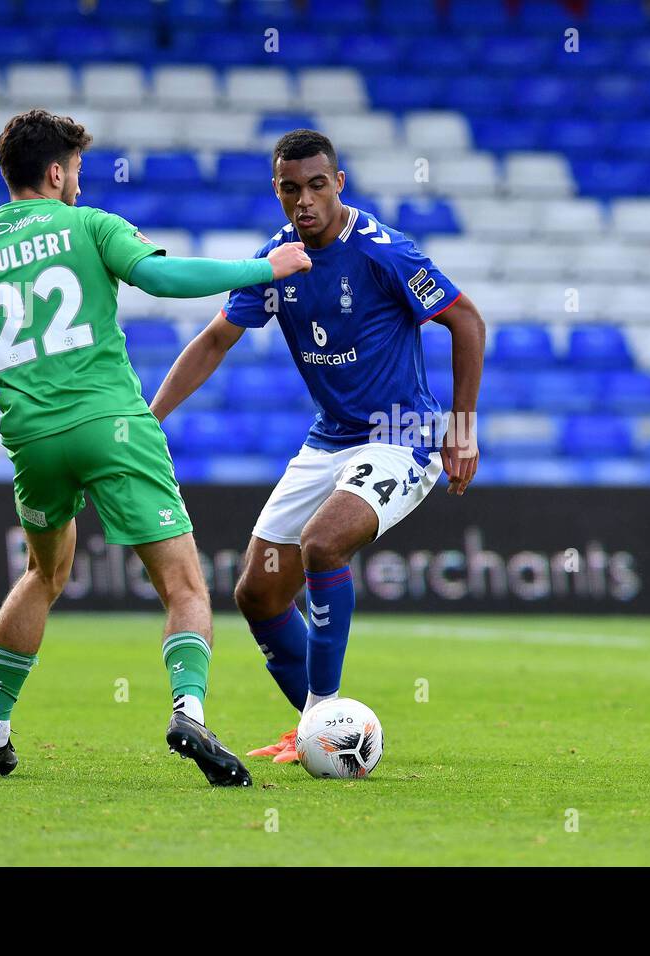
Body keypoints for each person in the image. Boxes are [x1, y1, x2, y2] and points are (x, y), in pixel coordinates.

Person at [0, 109, 312, 786]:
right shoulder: (90, 226)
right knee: (184, 585)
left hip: (32, 440)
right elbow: (162, 281)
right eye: (75, 168)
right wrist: (264, 267)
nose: (79, 179)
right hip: (111, 425)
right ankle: (188, 711)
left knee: (44, 577)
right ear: (55, 172)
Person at [151, 130, 485, 764]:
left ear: (339, 183)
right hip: (329, 437)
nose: (303, 200)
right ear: (277, 193)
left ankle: (324, 718)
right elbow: (216, 340)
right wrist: (149, 417)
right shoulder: (278, 261)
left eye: (315, 185)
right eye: (289, 189)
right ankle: (317, 723)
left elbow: (466, 320)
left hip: (400, 435)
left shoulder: (383, 252)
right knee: (258, 592)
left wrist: (461, 430)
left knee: (323, 543)